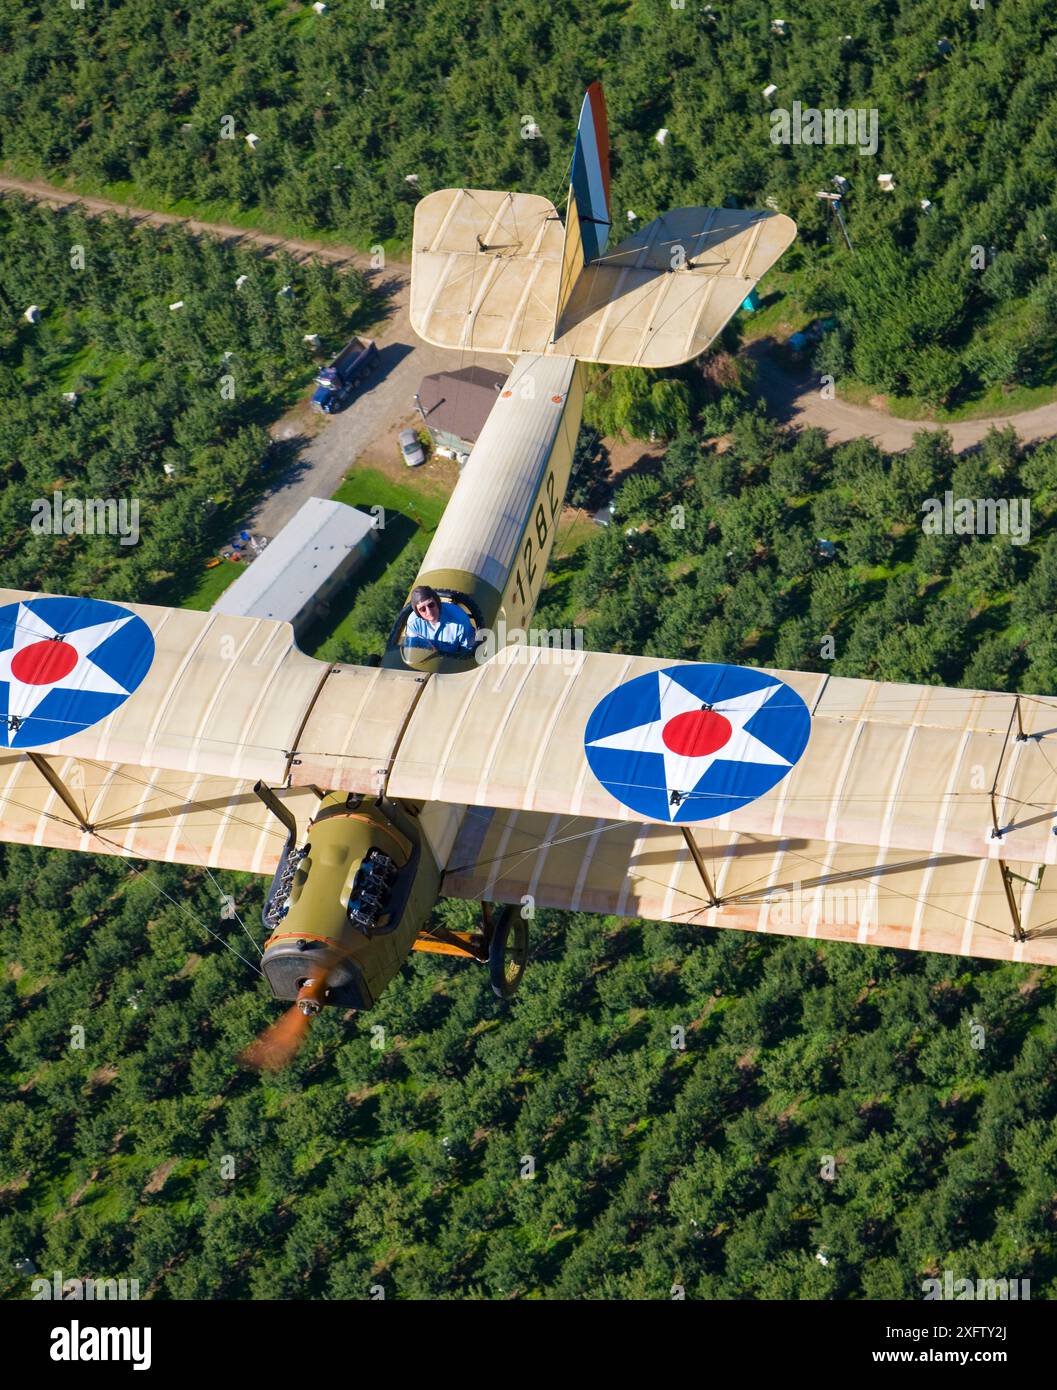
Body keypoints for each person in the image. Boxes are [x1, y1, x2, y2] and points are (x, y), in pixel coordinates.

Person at [403, 585, 477, 657]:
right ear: (418, 612)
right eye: (423, 609)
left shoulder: (460, 621)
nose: (429, 612)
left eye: (431, 605)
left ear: (437, 602)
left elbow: (467, 653)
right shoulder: (413, 623)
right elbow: (412, 652)